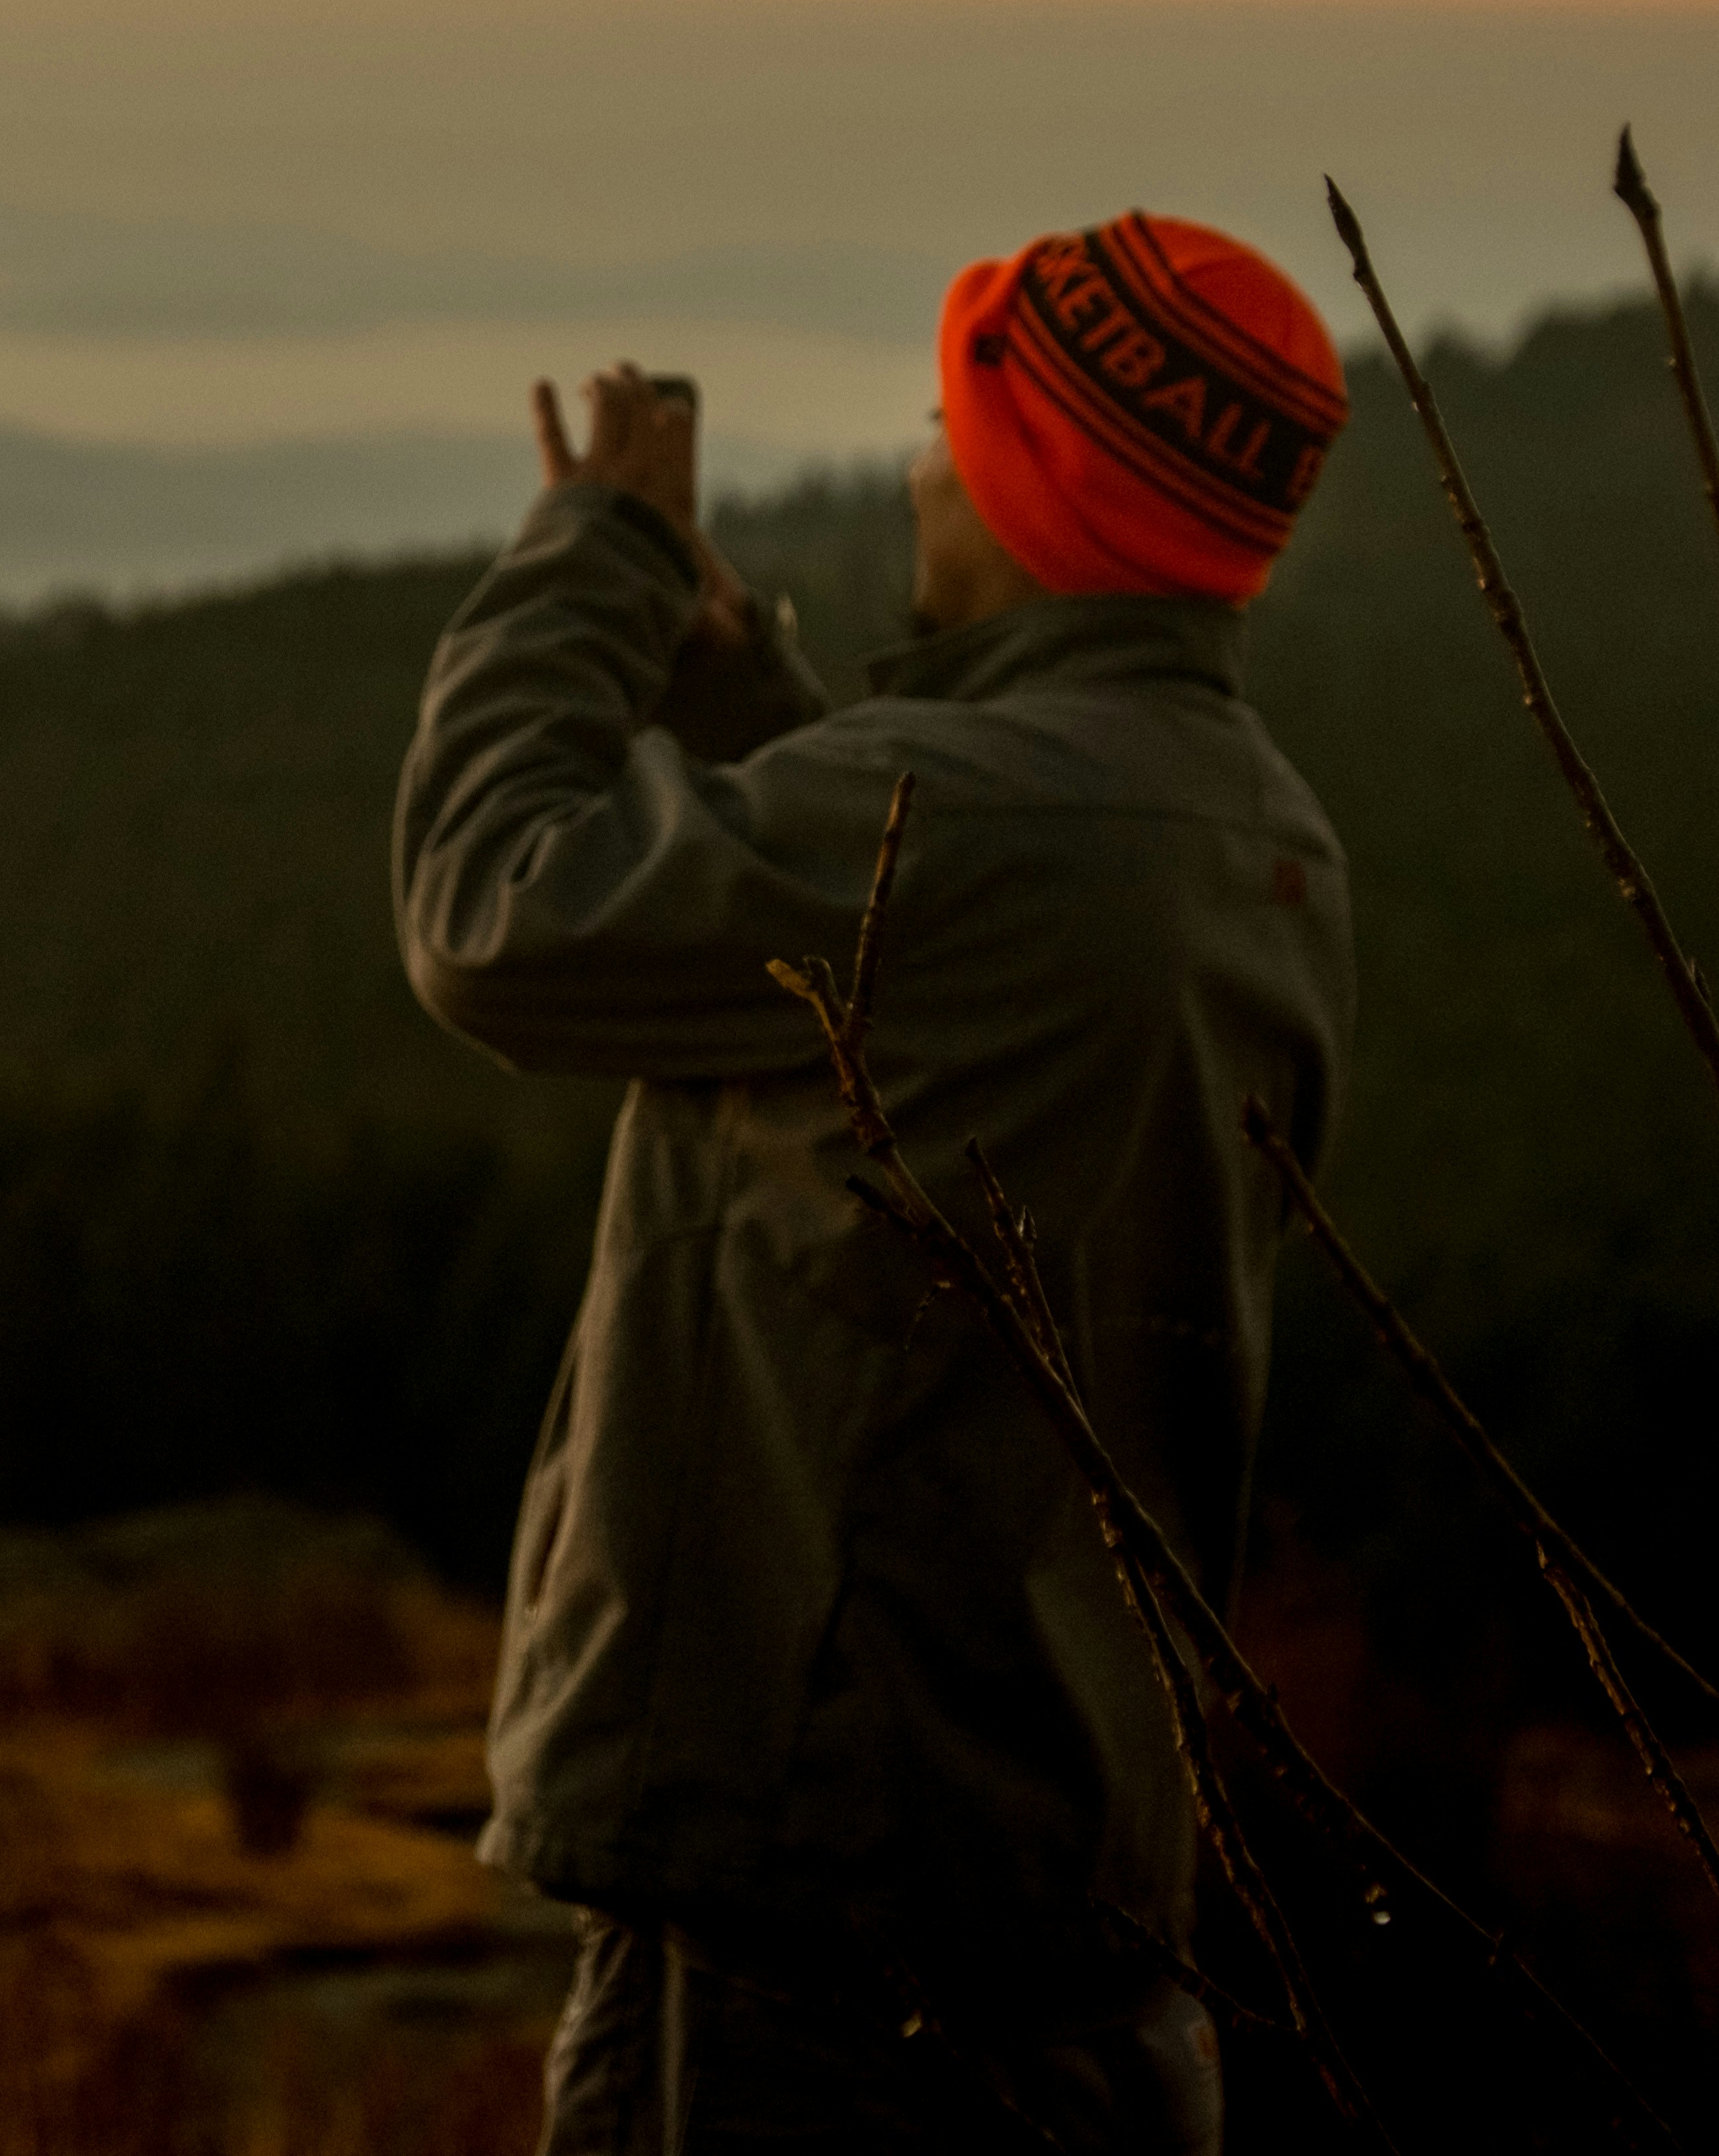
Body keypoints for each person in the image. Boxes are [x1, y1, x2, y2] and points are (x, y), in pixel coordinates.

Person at [390, 212, 1356, 2154]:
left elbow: (492, 911)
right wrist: (740, 679)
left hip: (808, 1930)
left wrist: (592, 566)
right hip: (1073, 1920)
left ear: (1033, 489)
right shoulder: (1251, 832)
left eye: (951, 422)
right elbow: (929, 948)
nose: (920, 458)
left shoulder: (964, 822)